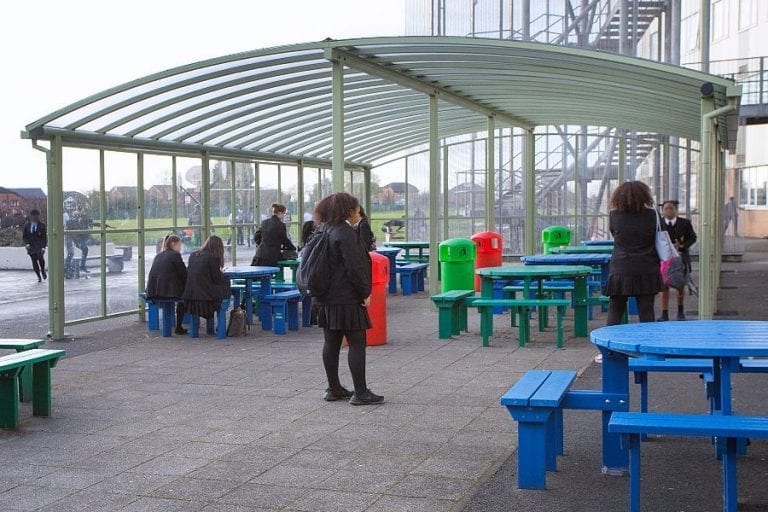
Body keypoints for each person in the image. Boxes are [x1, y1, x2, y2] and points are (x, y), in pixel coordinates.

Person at [314, 192, 383, 406]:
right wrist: (365, 293)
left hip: (324, 296)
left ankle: (333, 388)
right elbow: (356, 268)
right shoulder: (346, 233)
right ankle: (360, 392)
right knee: (357, 342)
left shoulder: (323, 229)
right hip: (346, 298)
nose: (358, 211)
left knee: (331, 342)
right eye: (356, 208)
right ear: (349, 211)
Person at [604, 181, 662, 325]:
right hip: (647, 267)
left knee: (616, 309)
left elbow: (614, 234)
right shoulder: (653, 215)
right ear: (644, 196)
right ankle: (647, 344)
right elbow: (661, 235)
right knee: (646, 310)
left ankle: (610, 343)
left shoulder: (614, 216)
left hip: (621, 266)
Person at [658, 200, 697, 321]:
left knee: (680, 284)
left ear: (676, 210)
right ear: (662, 211)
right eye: (665, 209)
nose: (668, 211)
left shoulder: (685, 223)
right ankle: (664, 313)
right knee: (664, 285)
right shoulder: (659, 224)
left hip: (680, 258)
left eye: (671, 208)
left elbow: (692, 237)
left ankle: (680, 311)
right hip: (664, 259)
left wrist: (683, 246)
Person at [182, 235, 231, 322]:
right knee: (227, 284)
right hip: (204, 296)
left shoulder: (194, 255)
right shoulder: (213, 257)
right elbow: (217, 279)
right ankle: (224, 320)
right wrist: (221, 273)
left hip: (190, 295)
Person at [146, 234, 188, 334]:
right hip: (167, 291)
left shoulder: (159, 255)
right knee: (186, 296)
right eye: (179, 245)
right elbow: (183, 274)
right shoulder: (175, 255)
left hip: (153, 291)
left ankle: (174, 326)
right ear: (173, 244)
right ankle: (179, 326)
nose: (180, 247)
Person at [22, 209, 47, 282]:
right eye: (33, 216)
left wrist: (43, 247)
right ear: (31, 216)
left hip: (39, 246)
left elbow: (44, 237)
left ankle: (42, 270)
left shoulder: (42, 225)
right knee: (34, 261)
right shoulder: (27, 225)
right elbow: (24, 237)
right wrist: (26, 244)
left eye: (36, 216)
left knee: (41, 259)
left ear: (38, 216)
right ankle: (38, 276)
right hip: (31, 246)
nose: (34, 218)